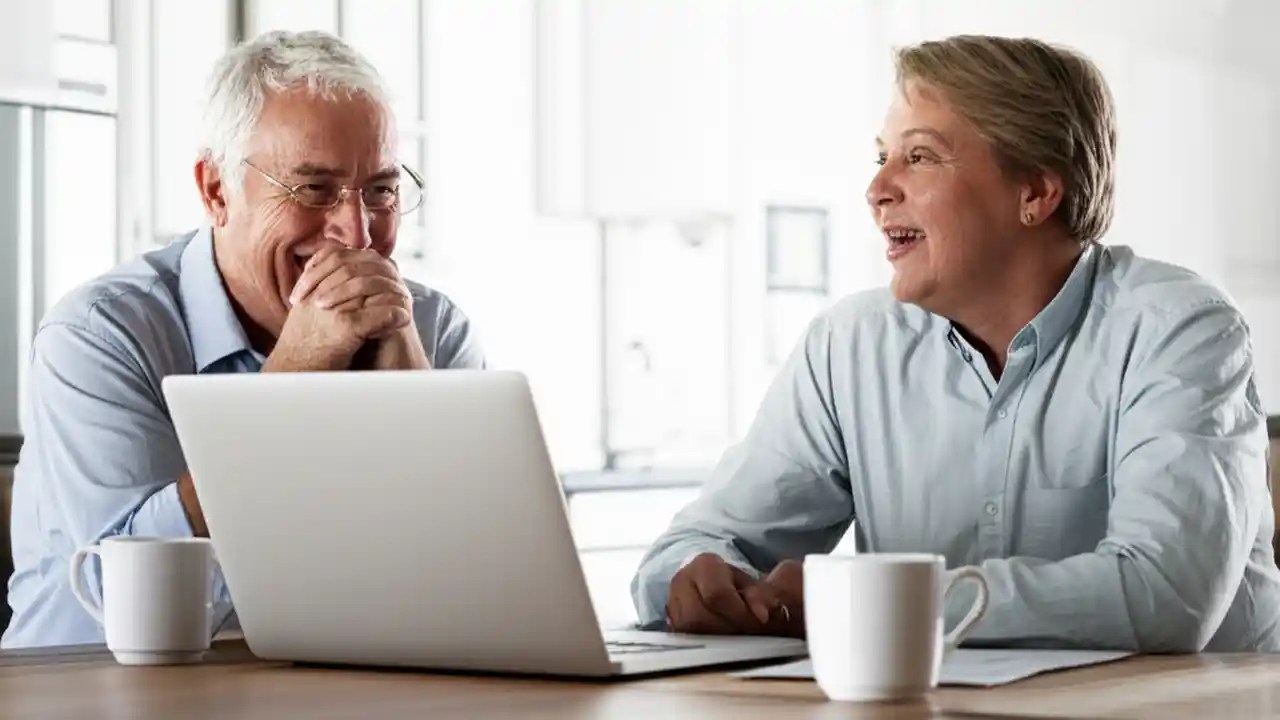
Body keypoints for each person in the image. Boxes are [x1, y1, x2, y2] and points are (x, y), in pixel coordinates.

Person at [633, 35, 1280, 652]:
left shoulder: (1178, 328)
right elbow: (694, 546)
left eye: (918, 157)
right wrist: (696, 576)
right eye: (880, 156)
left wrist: (870, 606)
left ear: (1035, 191)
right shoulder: (848, 348)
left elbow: (1165, 597)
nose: (878, 189)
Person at [3, 31, 485, 648]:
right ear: (216, 191)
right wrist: (300, 373)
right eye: (313, 190)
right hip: (88, 691)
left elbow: (472, 583)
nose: (356, 232)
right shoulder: (100, 333)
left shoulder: (434, 328)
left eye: (381, 190)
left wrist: (411, 389)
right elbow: (125, 604)